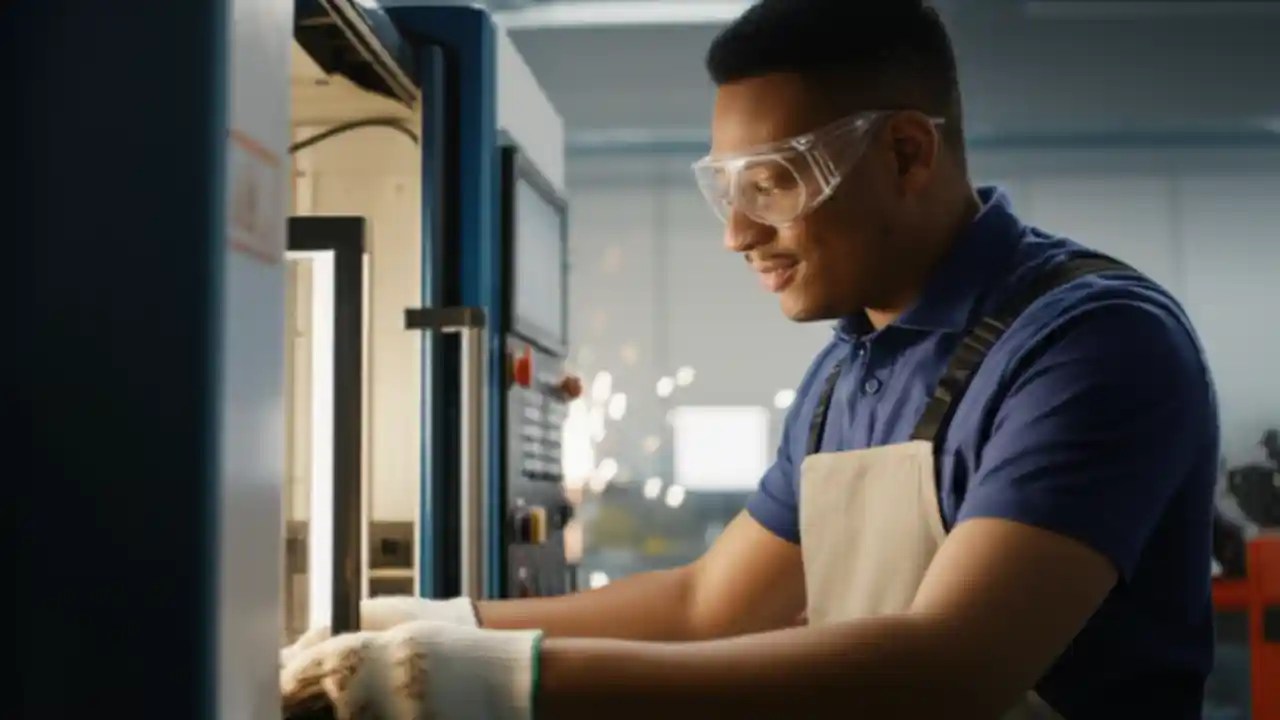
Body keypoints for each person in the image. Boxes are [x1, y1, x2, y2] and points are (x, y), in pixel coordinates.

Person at [279, 1, 1220, 718]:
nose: (737, 234)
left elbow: (955, 668)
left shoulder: (1089, 344)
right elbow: (707, 604)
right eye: (726, 189)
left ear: (905, 153)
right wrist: (426, 624)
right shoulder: (847, 367)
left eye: (771, 185)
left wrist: (489, 681)